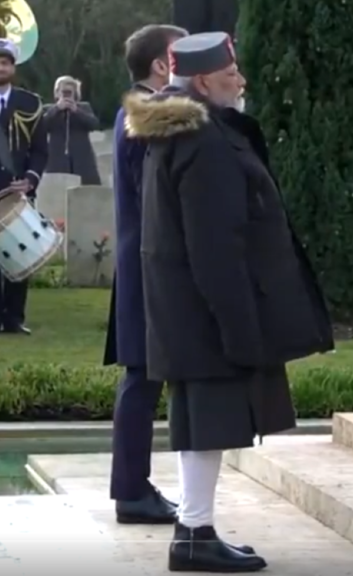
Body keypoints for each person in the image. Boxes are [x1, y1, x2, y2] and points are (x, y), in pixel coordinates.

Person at [123, 32, 335, 572]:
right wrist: (239, 325)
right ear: (201, 80)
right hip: (204, 311)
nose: (240, 80)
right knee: (206, 417)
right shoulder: (203, 141)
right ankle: (193, 533)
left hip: (185, 310)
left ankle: (194, 530)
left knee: (202, 421)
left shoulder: (179, 134)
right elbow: (215, 244)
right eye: (231, 72)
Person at [103, 24, 187, 525]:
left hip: (142, 261)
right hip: (147, 264)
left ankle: (134, 485)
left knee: (144, 378)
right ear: (161, 65)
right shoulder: (146, 114)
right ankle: (131, 491)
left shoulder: (136, 109)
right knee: (141, 379)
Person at [0, 39, 47, 335]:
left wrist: (29, 179)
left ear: (13, 68)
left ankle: (14, 318)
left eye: (5, 62)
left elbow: (40, 149)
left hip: (19, 192)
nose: (0, 67)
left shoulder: (30, 103)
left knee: (21, 253)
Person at [43, 75, 101, 184]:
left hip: (82, 158)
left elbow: (94, 124)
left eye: (70, 92)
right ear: (57, 93)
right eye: (63, 91)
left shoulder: (84, 107)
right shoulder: (48, 109)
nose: (67, 95)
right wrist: (57, 109)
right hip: (56, 158)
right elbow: (41, 126)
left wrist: (76, 111)